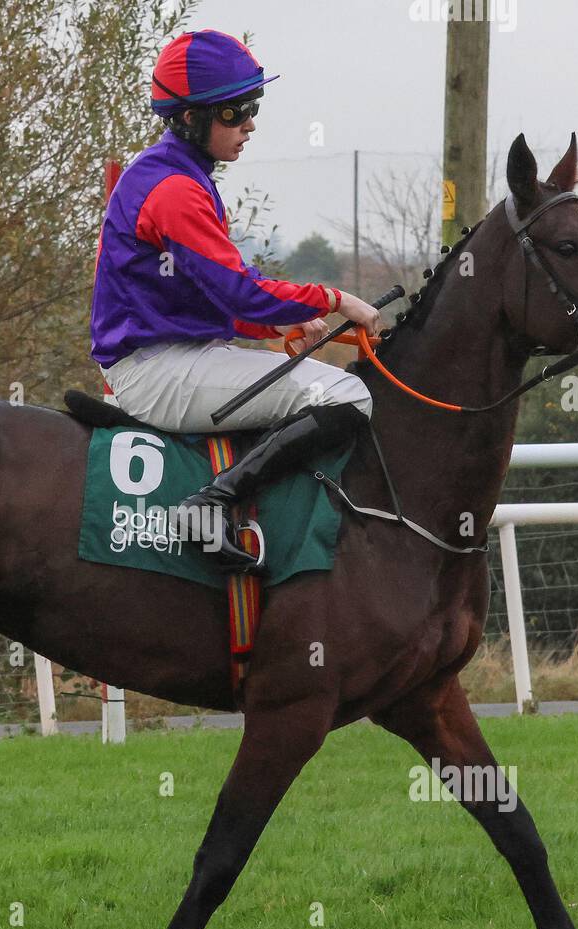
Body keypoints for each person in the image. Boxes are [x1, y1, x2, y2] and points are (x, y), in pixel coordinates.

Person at [90, 29, 382, 573]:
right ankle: (210, 503)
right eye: (235, 110)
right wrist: (335, 298)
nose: (250, 122)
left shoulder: (181, 176)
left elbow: (209, 295)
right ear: (188, 118)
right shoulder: (175, 189)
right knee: (348, 397)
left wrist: (274, 329)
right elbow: (239, 289)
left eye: (253, 107)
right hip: (158, 369)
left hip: (175, 355)